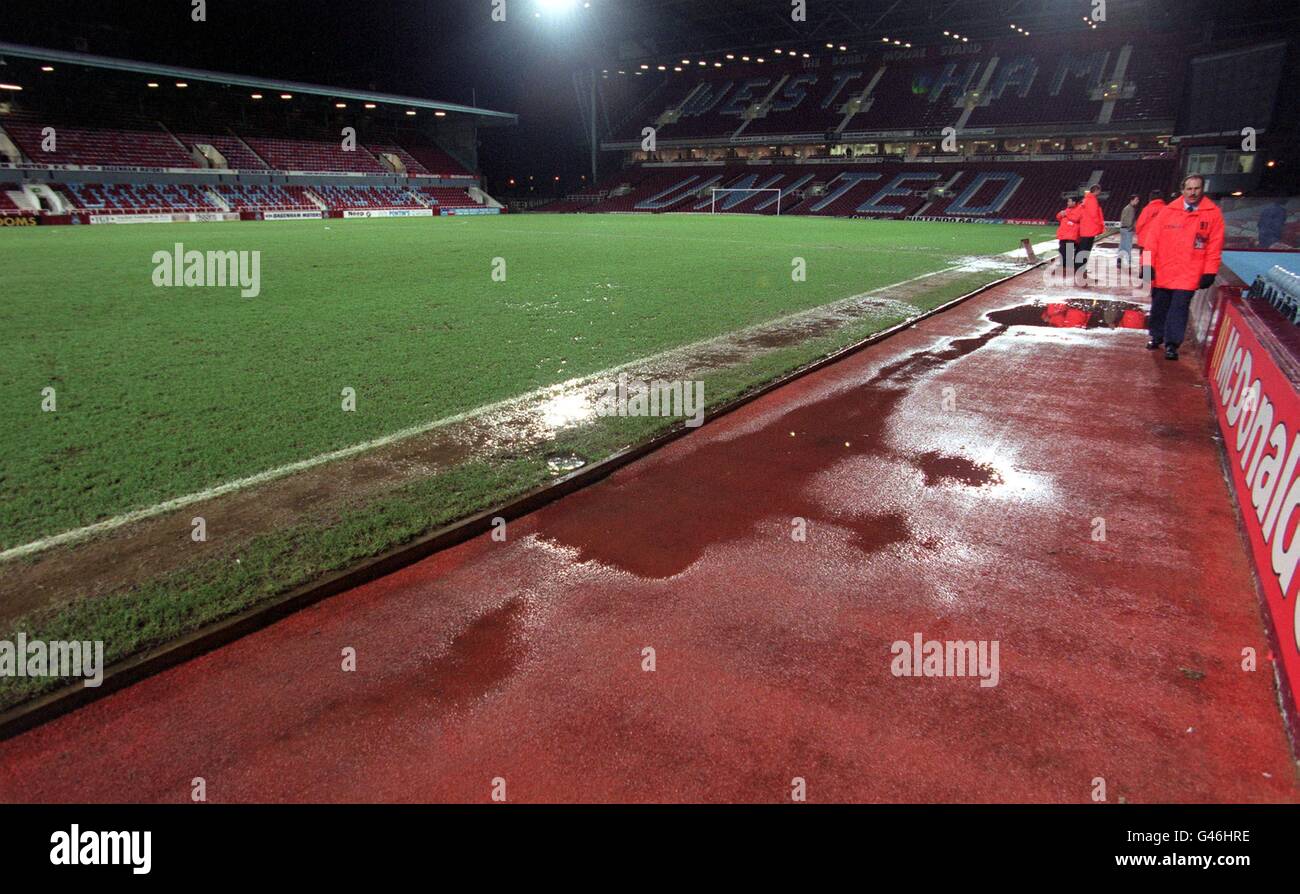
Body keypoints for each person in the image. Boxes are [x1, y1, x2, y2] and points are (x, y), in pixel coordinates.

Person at [1145, 174, 1225, 361]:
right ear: (1182, 190)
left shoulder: (1213, 214)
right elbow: (1152, 241)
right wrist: (1147, 264)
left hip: (1189, 272)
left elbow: (1214, 246)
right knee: (1159, 306)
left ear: (1202, 189)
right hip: (1164, 269)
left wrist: (1209, 271)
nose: (1193, 192)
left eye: (1196, 188)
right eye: (1189, 189)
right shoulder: (1167, 211)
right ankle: (1156, 335)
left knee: (1179, 308)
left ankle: (1172, 344)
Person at [1076, 184, 1106, 281]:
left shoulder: (1086, 200)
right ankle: (1080, 271)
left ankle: (1079, 269)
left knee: (1082, 250)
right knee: (1085, 251)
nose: (1100, 193)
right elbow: (1094, 215)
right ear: (1096, 190)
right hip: (1090, 230)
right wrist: (1101, 225)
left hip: (1085, 229)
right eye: (1099, 190)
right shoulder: (1092, 200)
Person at [1055, 195, 1083, 274]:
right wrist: (1061, 214)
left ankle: (1069, 269)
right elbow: (1058, 217)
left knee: (1069, 252)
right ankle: (1063, 266)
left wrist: (1066, 214)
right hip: (1064, 235)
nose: (1067, 203)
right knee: (1062, 251)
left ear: (1074, 202)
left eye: (1069, 201)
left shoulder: (1079, 209)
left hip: (1072, 235)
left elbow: (1076, 218)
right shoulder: (1067, 209)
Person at [1134, 189, 1166, 256]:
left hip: (1146, 240)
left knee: (1146, 263)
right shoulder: (1166, 209)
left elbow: (1140, 223)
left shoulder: (1147, 209)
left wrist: (1137, 232)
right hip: (1161, 241)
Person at [1117, 194, 1141, 267]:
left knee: (1122, 246)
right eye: (1136, 200)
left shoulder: (1127, 208)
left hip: (1123, 229)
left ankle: (1119, 260)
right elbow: (1129, 221)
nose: (1137, 201)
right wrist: (1132, 227)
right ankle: (1129, 262)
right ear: (1132, 200)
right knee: (1128, 246)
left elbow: (1123, 219)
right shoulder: (1130, 209)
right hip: (1127, 230)